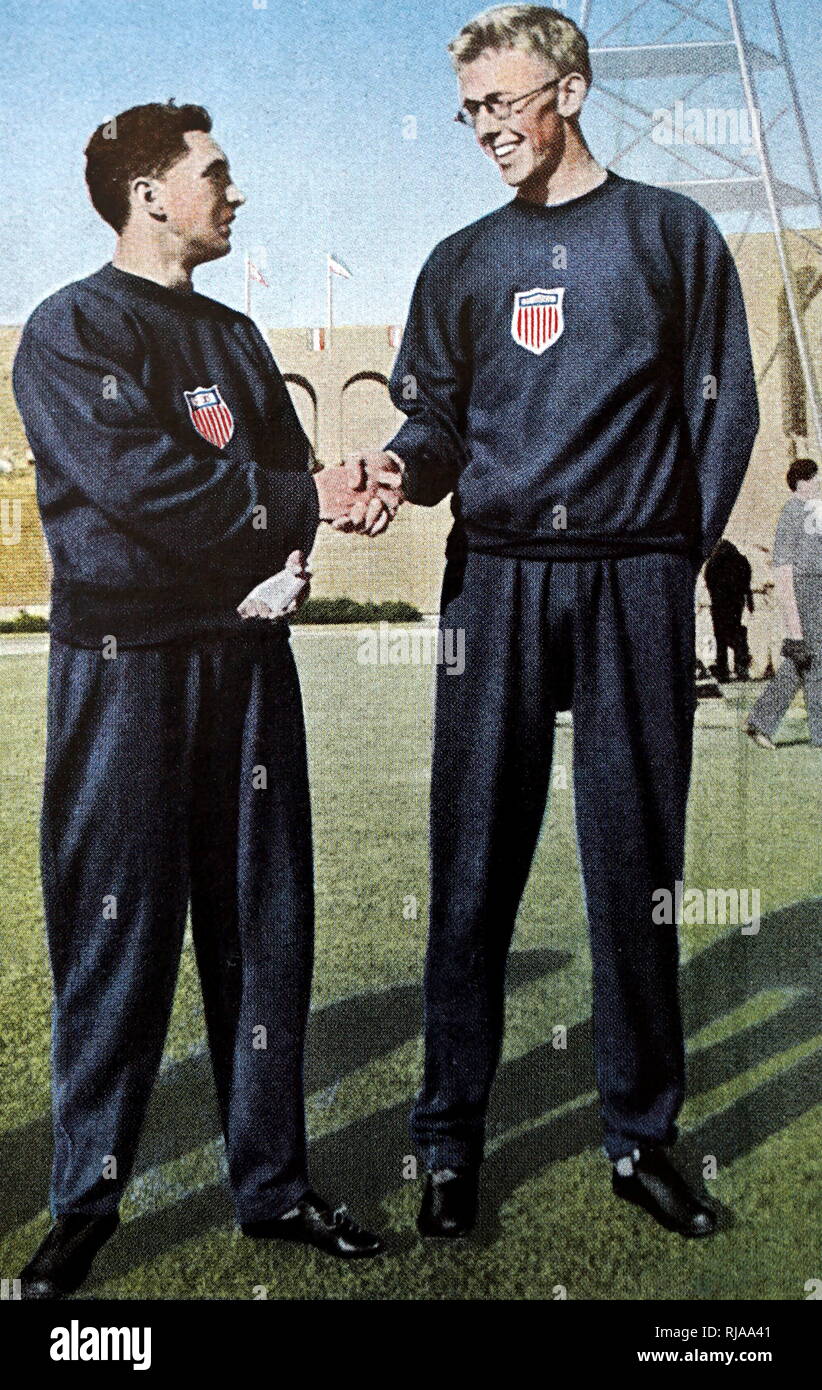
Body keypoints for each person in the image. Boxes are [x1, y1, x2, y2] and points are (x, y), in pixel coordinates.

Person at [348, 5, 759, 1240]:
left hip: (632, 579)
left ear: (571, 90)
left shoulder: (672, 235)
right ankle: (448, 1143)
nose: (487, 129)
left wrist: (658, 554)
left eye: (506, 101)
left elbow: (722, 413)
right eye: (471, 108)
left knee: (638, 870)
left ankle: (643, 1138)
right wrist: (395, 471)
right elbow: (435, 425)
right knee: (470, 867)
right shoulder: (460, 261)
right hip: (499, 582)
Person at [12, 101, 398, 1298]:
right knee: (116, 943)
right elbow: (142, 483)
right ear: (148, 193)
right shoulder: (71, 330)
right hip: (126, 674)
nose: (236, 193)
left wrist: (303, 548)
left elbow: (282, 481)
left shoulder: (234, 335)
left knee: (265, 936)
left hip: (245, 675)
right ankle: (86, 1199)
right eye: (215, 174)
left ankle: (273, 1186)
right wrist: (302, 506)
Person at [746, 458, 822, 749]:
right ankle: (763, 722)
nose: (818, 484)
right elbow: (783, 566)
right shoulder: (791, 512)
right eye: (815, 479)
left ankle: (762, 721)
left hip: (814, 586)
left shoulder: (809, 511)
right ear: (802, 482)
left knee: (807, 660)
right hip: (805, 589)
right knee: (808, 659)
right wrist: (793, 621)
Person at [704, 538, 753, 681]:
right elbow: (747, 582)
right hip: (736, 603)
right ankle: (740, 666)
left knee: (720, 637)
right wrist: (749, 600)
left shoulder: (714, 561)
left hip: (719, 604)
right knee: (736, 632)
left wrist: (715, 597)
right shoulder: (741, 560)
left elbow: (709, 581)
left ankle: (723, 670)